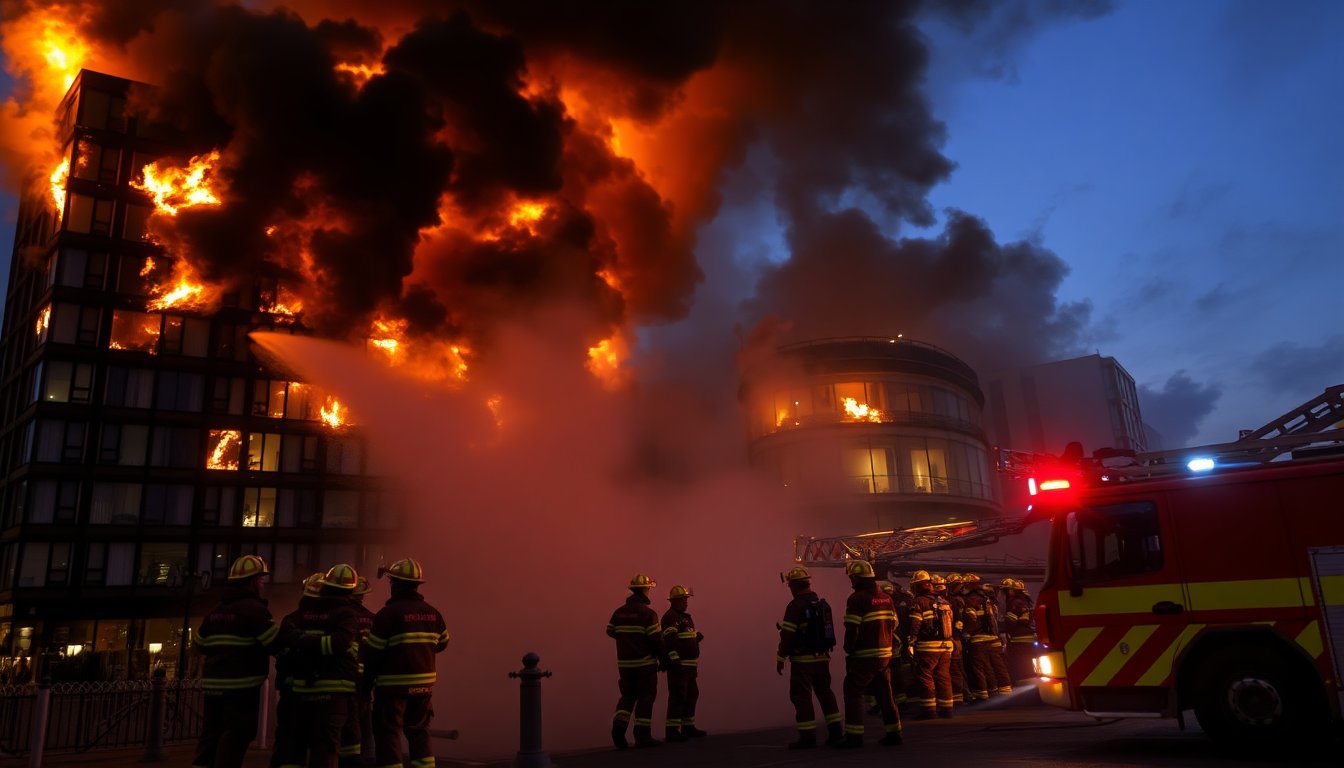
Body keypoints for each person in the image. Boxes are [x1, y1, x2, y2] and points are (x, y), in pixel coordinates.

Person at [192, 554, 285, 768]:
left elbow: (199, 643)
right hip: (241, 688)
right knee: (236, 735)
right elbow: (276, 643)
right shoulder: (254, 610)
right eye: (261, 579)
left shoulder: (215, 612)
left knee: (210, 737)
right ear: (252, 582)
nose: (262, 584)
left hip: (213, 687)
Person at [364, 558, 449, 768]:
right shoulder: (433, 613)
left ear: (397, 584)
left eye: (392, 582)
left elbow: (373, 653)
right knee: (419, 733)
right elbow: (442, 643)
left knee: (389, 734)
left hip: (392, 688)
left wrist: (365, 685)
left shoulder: (387, 614)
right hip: (423, 688)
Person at [289, 563, 364, 767]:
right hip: (335, 691)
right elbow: (340, 643)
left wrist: (302, 640)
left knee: (297, 748)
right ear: (351, 591)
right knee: (326, 750)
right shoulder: (346, 614)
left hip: (304, 689)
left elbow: (292, 643)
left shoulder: (306, 612)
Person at [835, 560, 902, 749]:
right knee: (885, 694)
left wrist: (849, 647)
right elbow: (894, 624)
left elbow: (852, 627)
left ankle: (854, 737)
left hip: (864, 655)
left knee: (853, 692)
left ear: (856, 578)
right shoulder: (886, 598)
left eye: (852, 577)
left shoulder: (857, 598)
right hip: (885, 655)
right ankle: (894, 733)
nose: (851, 581)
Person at [775, 566, 842, 749]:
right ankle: (836, 732)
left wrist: (781, 657)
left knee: (801, 697)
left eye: (790, 586)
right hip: (822, 658)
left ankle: (807, 737)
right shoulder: (820, 604)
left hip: (803, 661)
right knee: (825, 693)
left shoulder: (795, 606)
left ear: (794, 585)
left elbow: (787, 635)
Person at [271, 572, 326, 768]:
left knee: (290, 742)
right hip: (324, 694)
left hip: (292, 692)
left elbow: (280, 651)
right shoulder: (333, 620)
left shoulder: (291, 620)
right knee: (323, 746)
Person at [607, 573, 667, 749]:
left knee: (627, 696)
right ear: (645, 590)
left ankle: (618, 728)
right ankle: (642, 736)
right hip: (645, 664)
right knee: (645, 697)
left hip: (625, 665)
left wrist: (627, 639)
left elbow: (610, 631)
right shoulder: (648, 614)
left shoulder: (618, 612)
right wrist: (664, 659)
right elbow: (657, 640)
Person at [660, 584, 706, 742]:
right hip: (679, 666)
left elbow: (684, 638)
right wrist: (675, 661)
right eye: (683, 599)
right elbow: (669, 641)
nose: (686, 602)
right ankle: (672, 731)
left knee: (692, 695)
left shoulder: (686, 618)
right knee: (678, 696)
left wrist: (695, 639)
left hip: (690, 665)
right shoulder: (670, 617)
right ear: (674, 601)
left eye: (686, 599)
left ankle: (688, 727)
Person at [906, 569, 954, 720]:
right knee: (943, 676)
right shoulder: (943, 601)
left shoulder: (919, 601)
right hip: (946, 646)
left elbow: (915, 623)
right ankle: (946, 710)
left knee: (925, 676)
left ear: (918, 586)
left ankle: (929, 710)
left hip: (928, 646)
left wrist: (911, 641)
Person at [340, 576, 377, 767]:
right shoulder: (373, 618)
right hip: (366, 678)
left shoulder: (340, 616)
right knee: (365, 717)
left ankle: (348, 757)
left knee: (346, 718)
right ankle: (369, 756)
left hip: (344, 676)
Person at [1002, 578, 1038, 684]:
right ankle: (1030, 679)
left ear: (1012, 590)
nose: (1005, 593)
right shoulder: (1025, 601)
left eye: (1006, 590)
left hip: (1018, 639)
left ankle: (1022, 681)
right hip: (1027, 637)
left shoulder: (1015, 602)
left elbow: (1011, 621)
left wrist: (1003, 630)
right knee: (1028, 661)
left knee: (1019, 662)